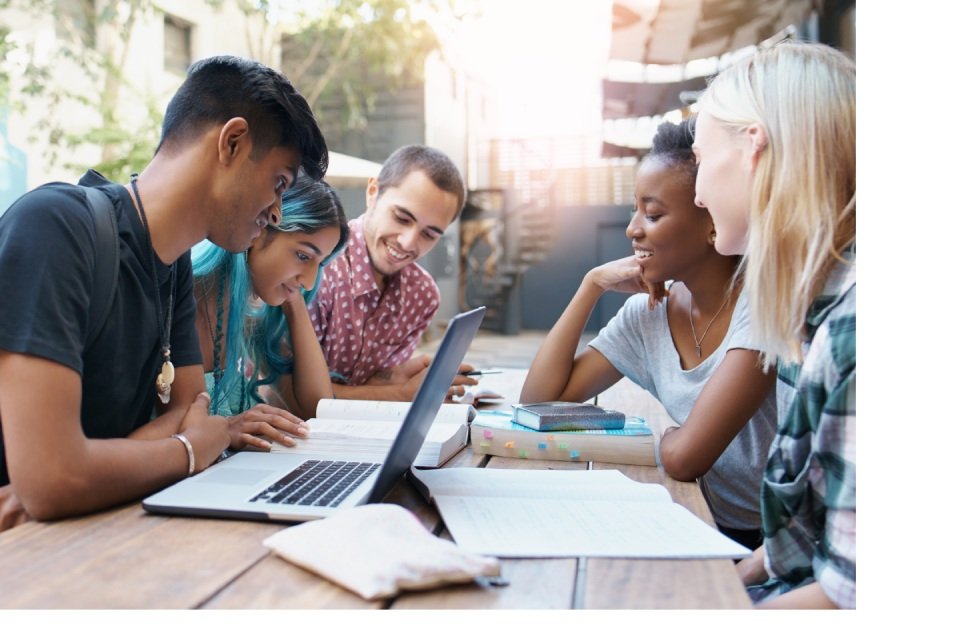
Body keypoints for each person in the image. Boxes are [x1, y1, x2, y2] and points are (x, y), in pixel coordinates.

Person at [0, 55, 327, 529]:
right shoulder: (56, 226)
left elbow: (191, 413)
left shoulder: (172, 267)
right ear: (232, 142)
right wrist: (189, 451)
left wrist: (86, 467)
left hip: (89, 534)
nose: (276, 212)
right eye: (278, 184)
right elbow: (54, 481)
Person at [519, 119, 777, 550]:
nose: (633, 229)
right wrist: (590, 286)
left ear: (712, 221)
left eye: (653, 214)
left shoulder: (765, 303)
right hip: (698, 516)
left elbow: (684, 458)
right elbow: (538, 401)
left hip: (770, 539)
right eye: (635, 211)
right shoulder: (648, 314)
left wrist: (661, 436)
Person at [691, 42, 855, 609]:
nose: (697, 192)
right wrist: (718, 588)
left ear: (753, 147)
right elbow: (809, 536)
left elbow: (851, 602)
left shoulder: (853, 337)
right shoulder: (805, 317)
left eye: (701, 159)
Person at [308, 144, 477, 401]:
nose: (409, 242)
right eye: (401, 218)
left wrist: (398, 375)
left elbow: (371, 383)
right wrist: (400, 393)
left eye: (429, 234)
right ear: (373, 192)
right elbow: (294, 396)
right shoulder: (318, 267)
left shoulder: (423, 295)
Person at [192, 175, 348, 451]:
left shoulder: (253, 318)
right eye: (303, 255)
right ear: (260, 229)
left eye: (320, 264)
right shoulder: (187, 297)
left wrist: (294, 302)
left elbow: (316, 406)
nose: (311, 281)